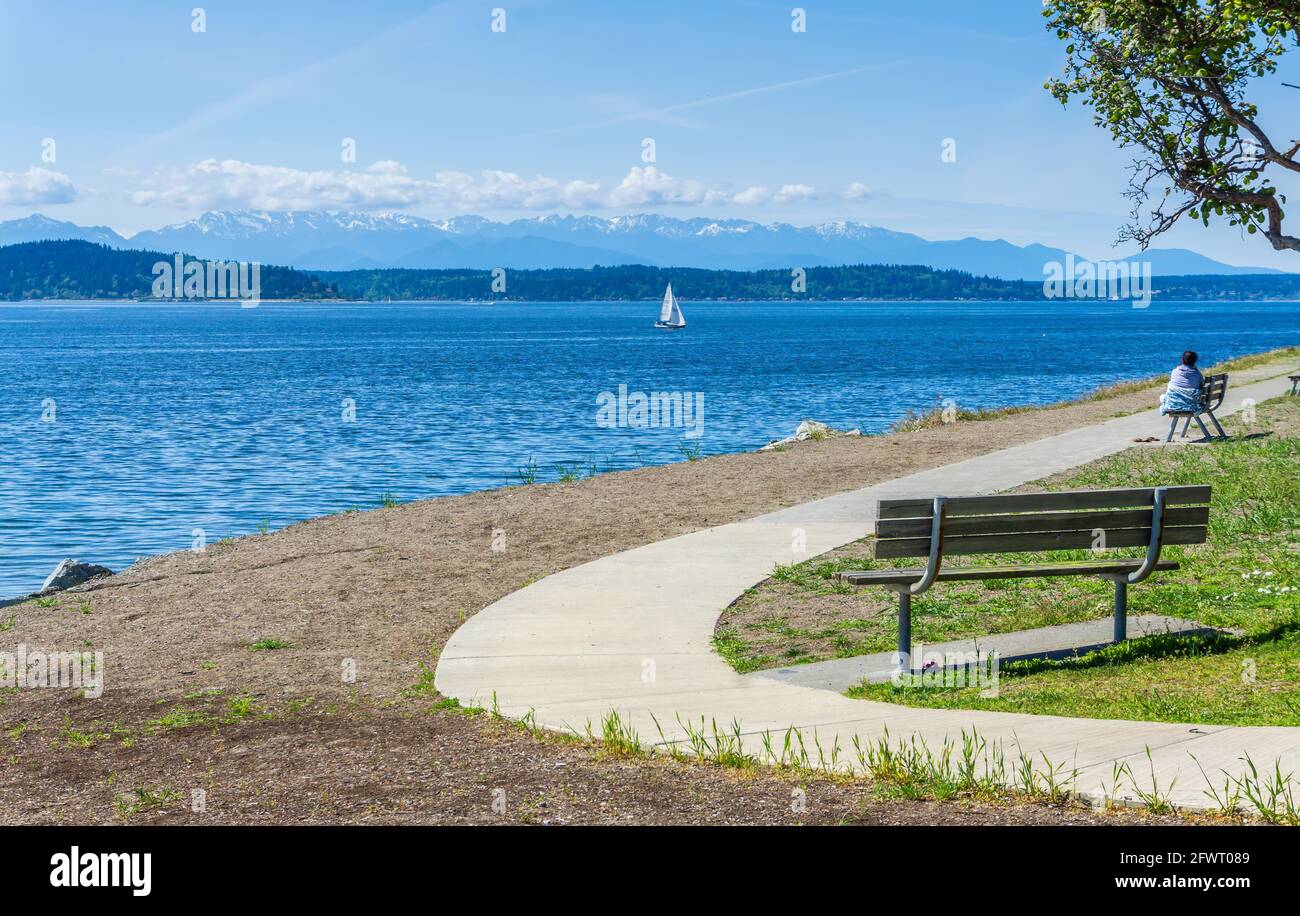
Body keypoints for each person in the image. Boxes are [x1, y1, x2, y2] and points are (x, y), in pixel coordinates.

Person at [1160, 350, 1204, 415]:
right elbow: (1201, 385)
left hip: (1173, 405)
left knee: (1162, 397)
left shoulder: (1175, 372)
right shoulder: (1197, 374)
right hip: (1192, 406)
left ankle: (1164, 407)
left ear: (1182, 360)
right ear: (1195, 361)